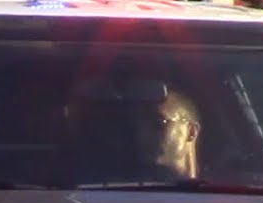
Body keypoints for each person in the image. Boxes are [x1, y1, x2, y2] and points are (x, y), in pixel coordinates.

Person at [61, 78, 202, 182]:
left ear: (191, 132)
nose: (142, 134)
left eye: (157, 123)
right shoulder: (109, 194)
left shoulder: (220, 197)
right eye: (137, 124)